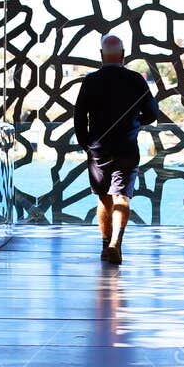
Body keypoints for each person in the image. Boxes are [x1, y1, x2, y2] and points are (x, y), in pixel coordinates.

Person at [73, 33, 160, 264]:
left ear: (102, 55)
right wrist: (135, 123)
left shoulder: (90, 81)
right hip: (127, 147)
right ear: (123, 55)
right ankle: (116, 244)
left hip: (99, 149)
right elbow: (152, 113)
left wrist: (87, 145)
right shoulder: (136, 80)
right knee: (122, 196)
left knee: (104, 198)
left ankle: (105, 244)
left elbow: (79, 117)